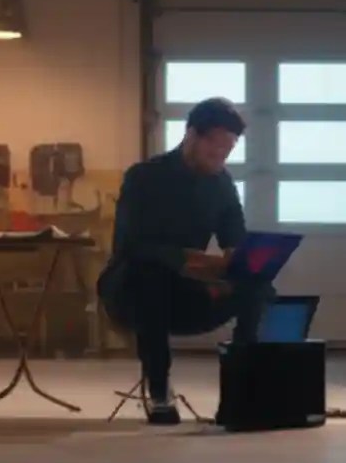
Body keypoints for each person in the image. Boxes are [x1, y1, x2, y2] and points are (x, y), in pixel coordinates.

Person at [98, 97, 273, 424]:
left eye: (227, 151)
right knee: (151, 275)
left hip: (188, 293)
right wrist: (185, 260)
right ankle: (160, 390)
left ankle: (241, 385)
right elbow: (129, 245)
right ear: (192, 136)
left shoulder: (221, 183)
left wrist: (237, 265)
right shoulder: (143, 178)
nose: (220, 158)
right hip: (130, 292)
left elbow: (234, 238)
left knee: (258, 282)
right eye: (214, 150)